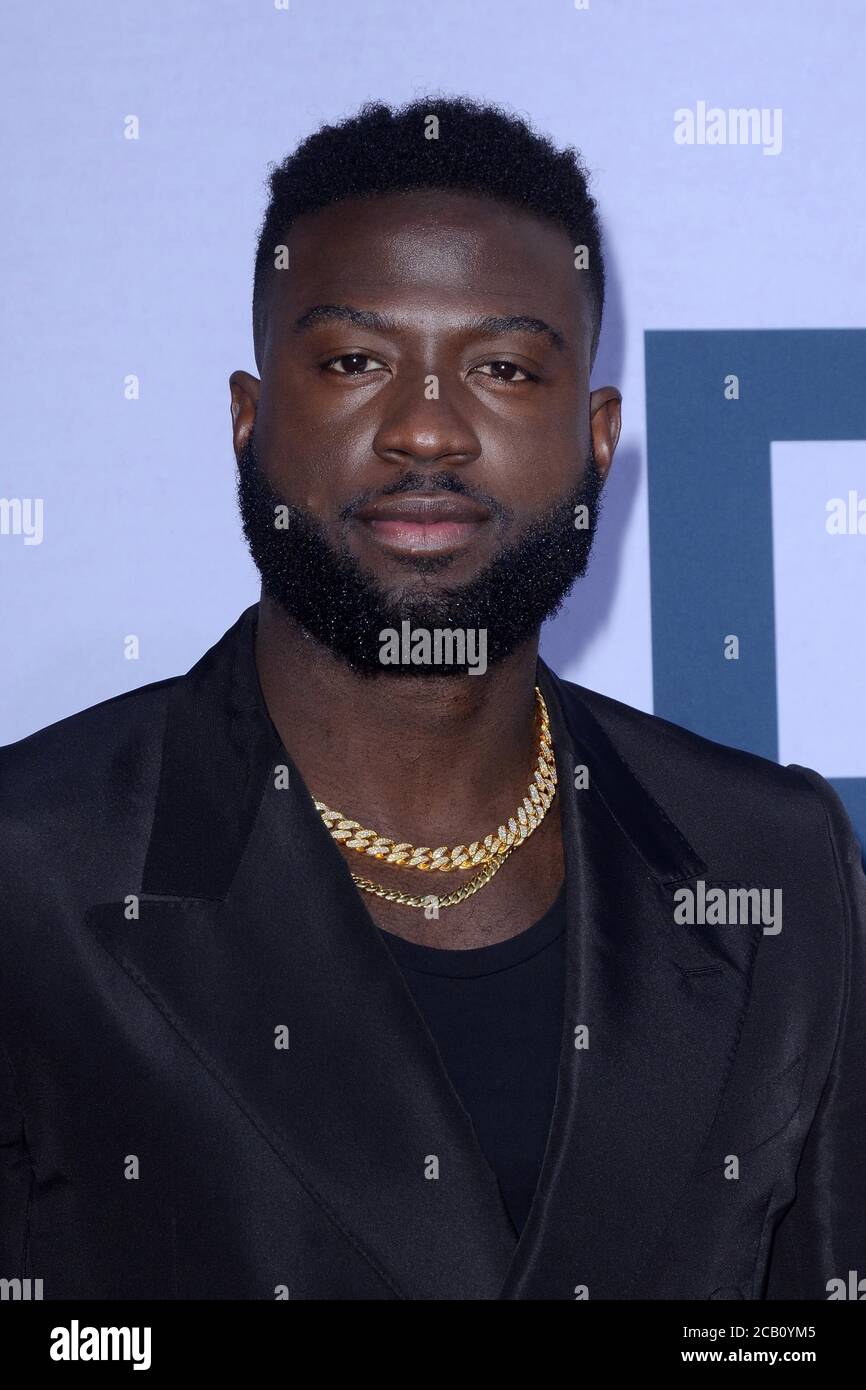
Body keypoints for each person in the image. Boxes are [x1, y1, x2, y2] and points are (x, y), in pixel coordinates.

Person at [1, 96, 864, 1301]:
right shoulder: (33, 866)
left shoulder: (768, 858)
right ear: (248, 422)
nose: (423, 427)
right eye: (355, 361)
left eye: (503, 367)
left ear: (596, 438)